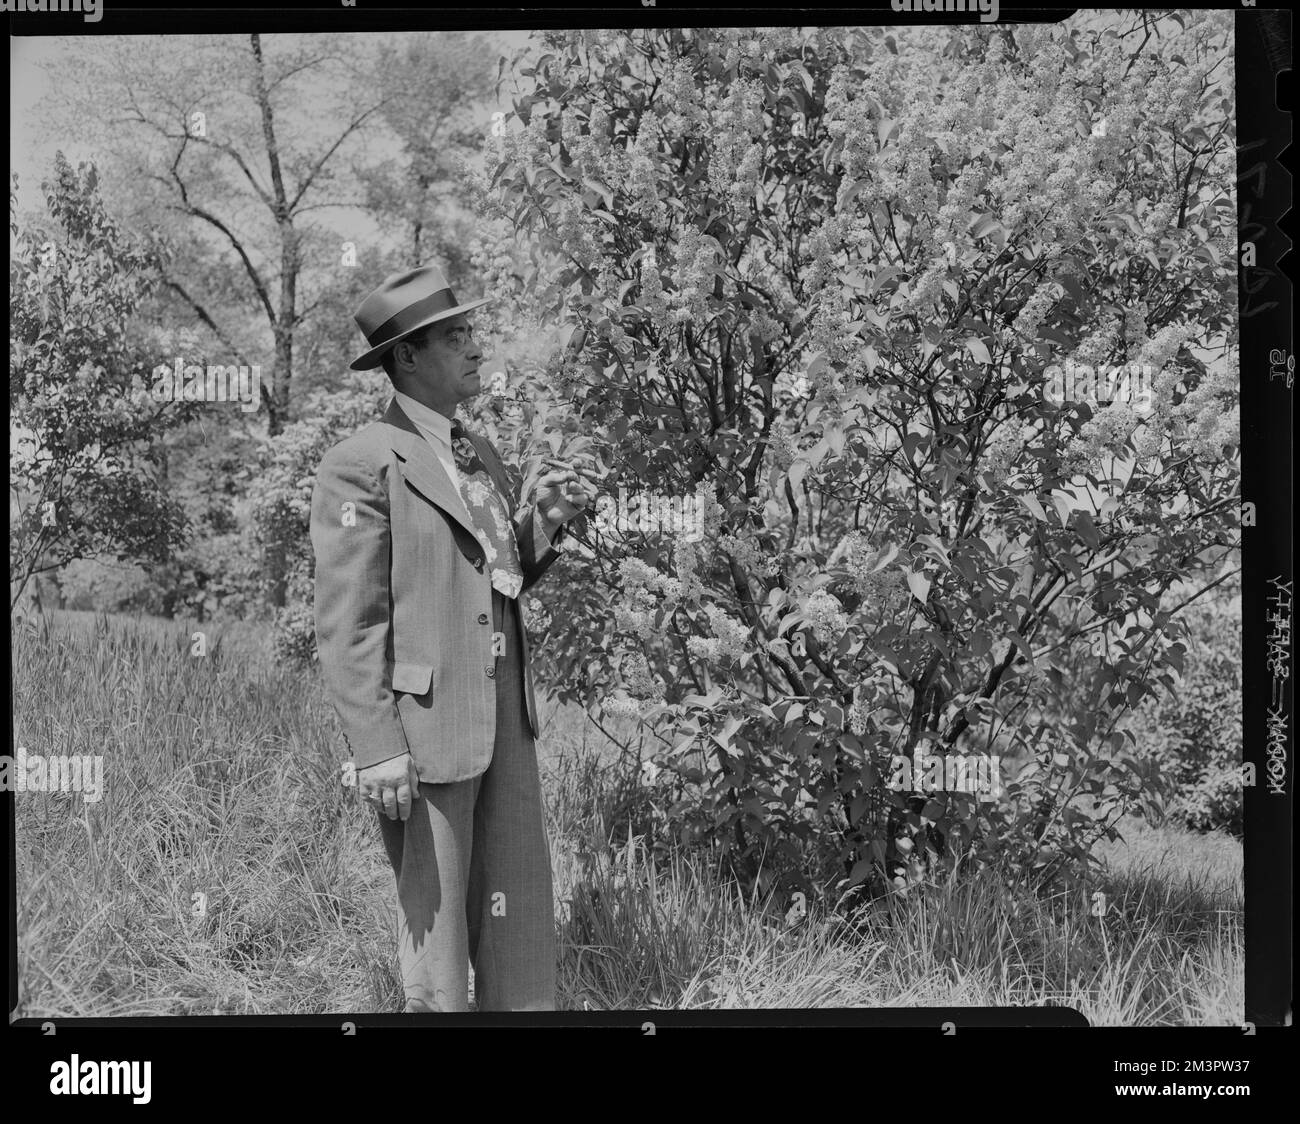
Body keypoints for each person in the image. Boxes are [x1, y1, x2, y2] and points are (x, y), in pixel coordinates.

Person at [310, 263, 590, 1011]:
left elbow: (496, 579)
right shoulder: (362, 462)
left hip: (506, 717)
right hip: (426, 730)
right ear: (406, 357)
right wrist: (377, 747)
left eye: (472, 333)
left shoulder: (477, 450)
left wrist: (545, 528)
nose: (475, 349)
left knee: (519, 915)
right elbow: (349, 621)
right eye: (455, 337)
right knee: (437, 949)